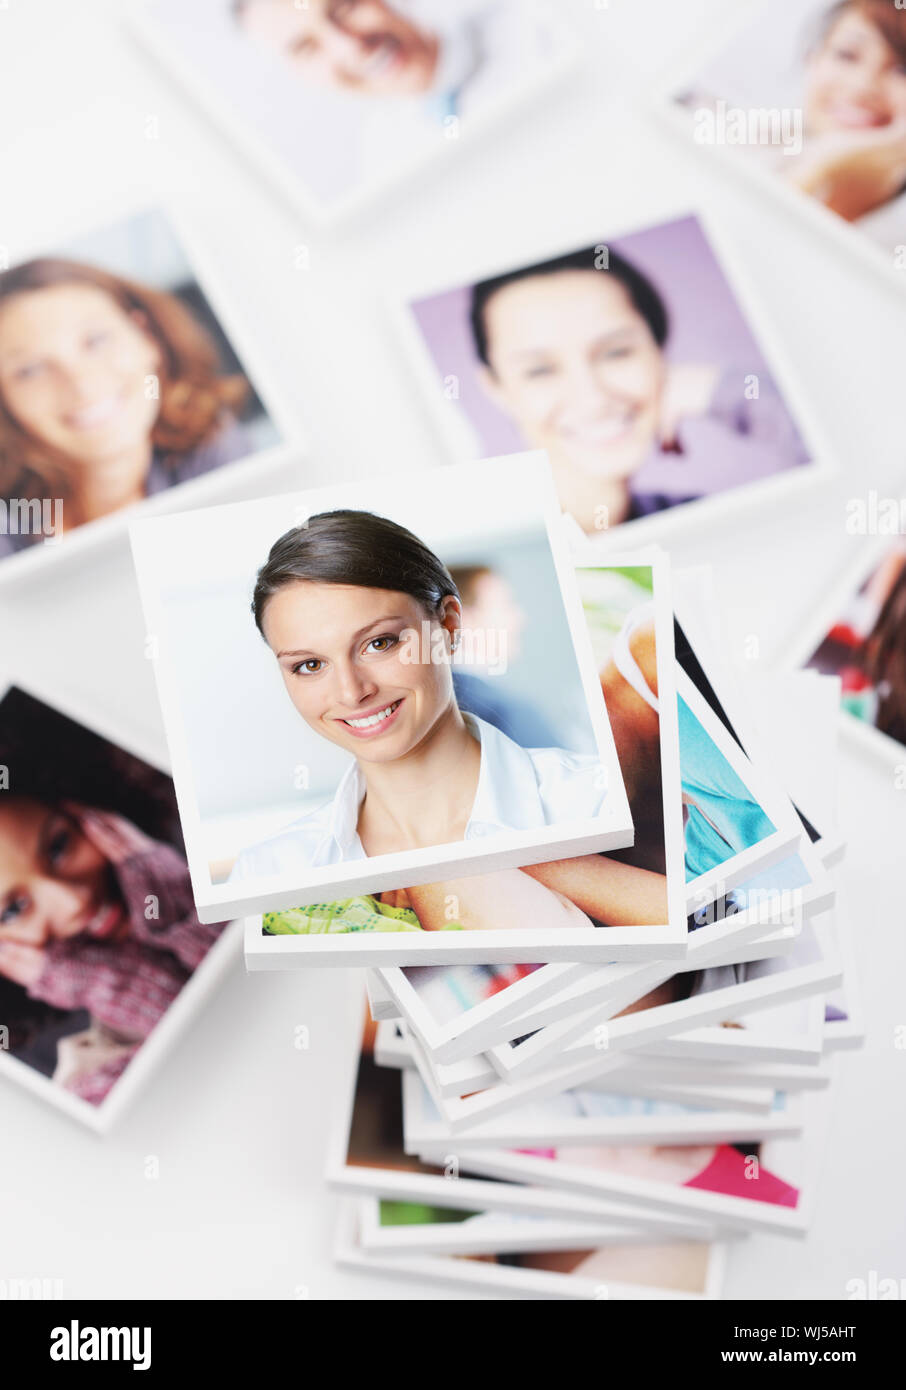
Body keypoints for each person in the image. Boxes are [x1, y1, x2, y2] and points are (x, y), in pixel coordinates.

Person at [229, 508, 613, 880]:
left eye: (379, 643)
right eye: (310, 665)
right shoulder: (269, 872)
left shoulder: (597, 802)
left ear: (447, 624)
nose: (351, 692)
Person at [468, 246, 809, 538]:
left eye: (617, 352)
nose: (593, 399)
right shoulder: (478, 544)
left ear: (659, 355)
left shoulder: (692, 522)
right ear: (496, 389)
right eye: (539, 371)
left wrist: (716, 390)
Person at [0, 256, 252, 554]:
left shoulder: (216, 452)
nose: (81, 385)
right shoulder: (10, 523)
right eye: (30, 370)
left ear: (148, 337)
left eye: (96, 340)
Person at [0, 796, 224, 1105]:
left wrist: (179, 903)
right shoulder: (90, 1091)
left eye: (58, 847)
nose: (74, 902)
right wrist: (124, 986)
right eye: (12, 911)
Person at [447, 562, 560, 748]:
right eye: (505, 606)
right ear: (458, 619)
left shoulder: (429, 710)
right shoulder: (507, 713)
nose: (520, 617)